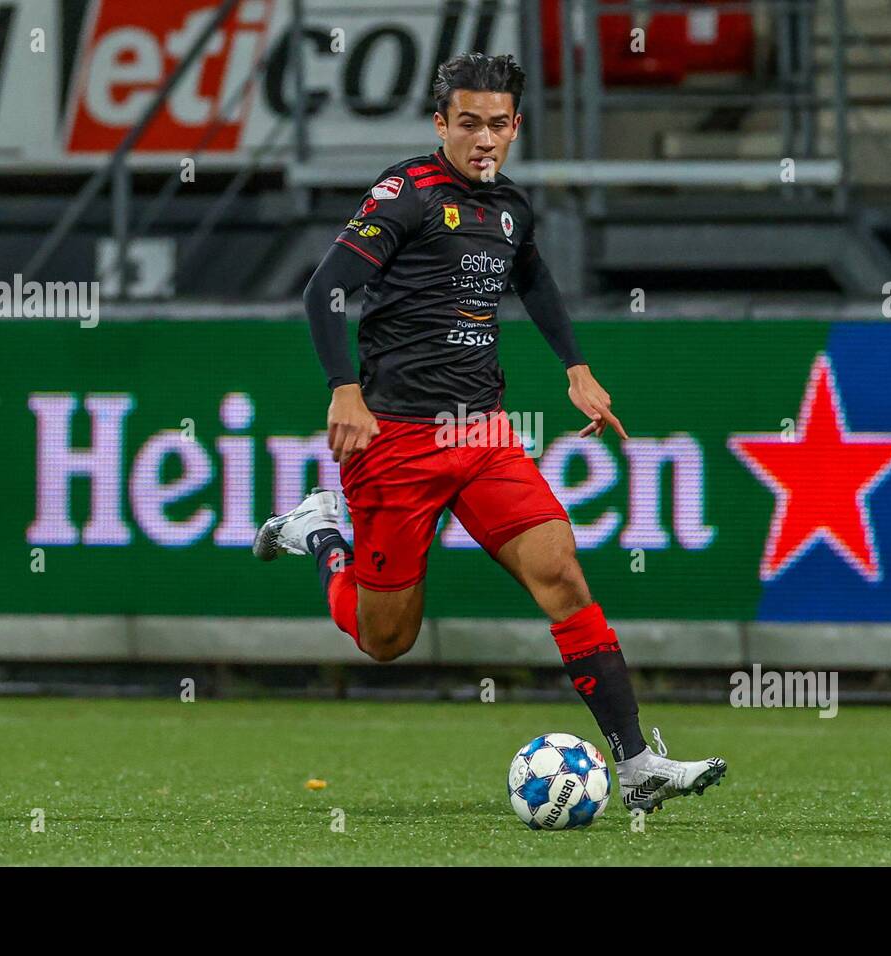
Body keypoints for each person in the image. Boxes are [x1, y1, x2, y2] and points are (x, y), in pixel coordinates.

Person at [255, 52, 725, 813]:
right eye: (467, 122)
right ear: (441, 123)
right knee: (387, 640)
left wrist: (576, 368)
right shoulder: (405, 195)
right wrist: (345, 390)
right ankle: (319, 533)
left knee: (562, 573)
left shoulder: (509, 207)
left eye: (498, 124)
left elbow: (532, 277)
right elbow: (324, 290)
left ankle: (635, 762)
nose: (483, 137)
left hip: (483, 436)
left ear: (515, 127)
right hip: (397, 443)